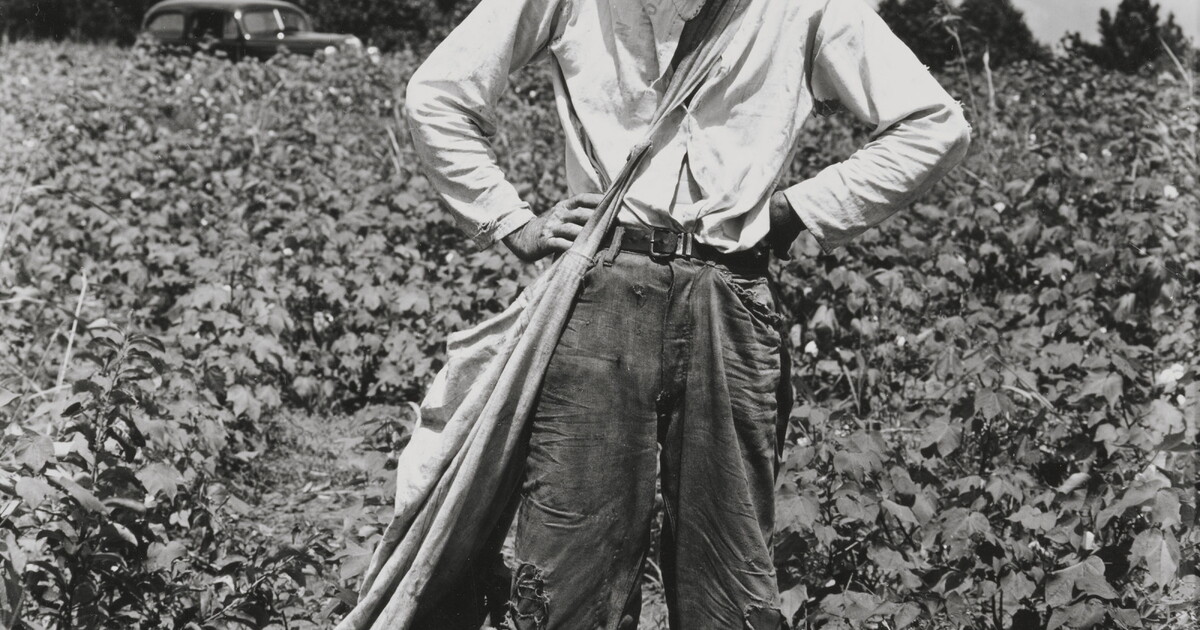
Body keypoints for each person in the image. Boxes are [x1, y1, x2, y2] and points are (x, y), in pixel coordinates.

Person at [403, 0, 970, 627]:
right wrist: (511, 221)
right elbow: (437, 95)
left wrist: (793, 211)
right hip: (601, 289)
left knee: (727, 570)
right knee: (570, 567)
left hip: (729, 291)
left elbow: (933, 124)